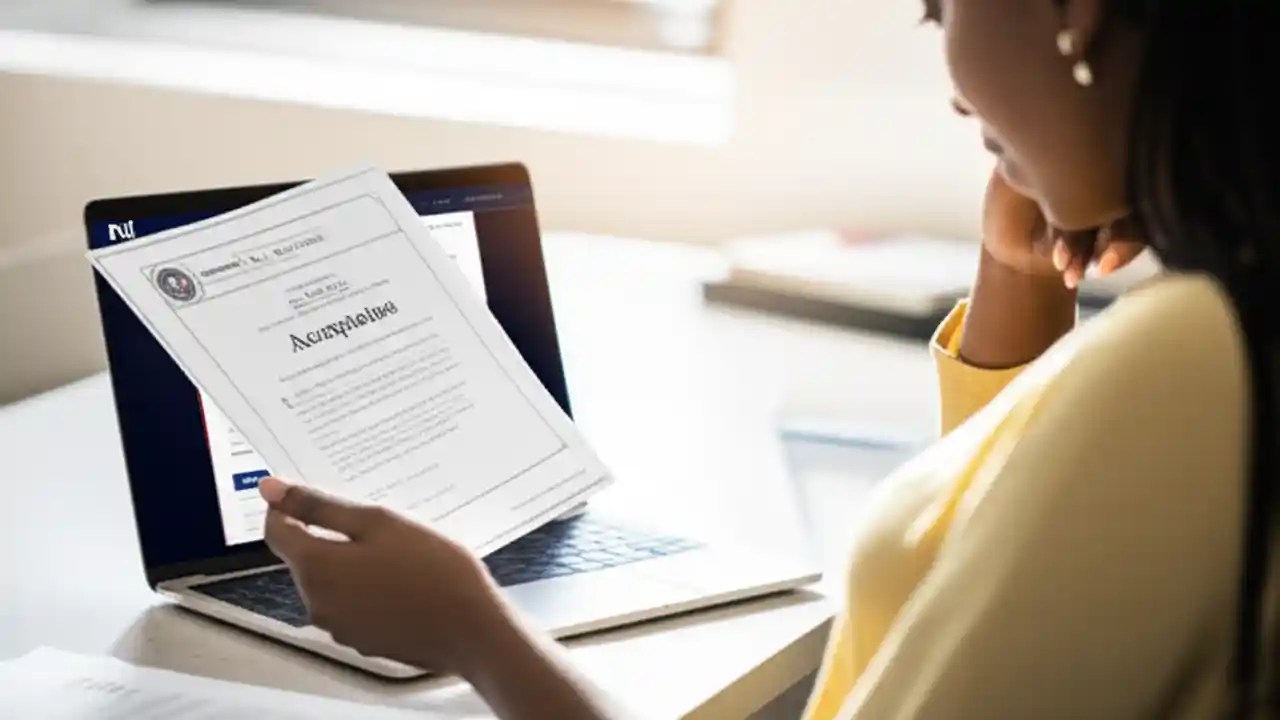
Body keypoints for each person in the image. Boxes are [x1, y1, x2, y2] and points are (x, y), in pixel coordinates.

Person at [256, 1, 1280, 717]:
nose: (957, 100)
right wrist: (1017, 279)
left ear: (1075, 13)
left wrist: (472, 633)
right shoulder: (1200, 350)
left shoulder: (1193, 368)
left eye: (937, 9)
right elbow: (1007, 561)